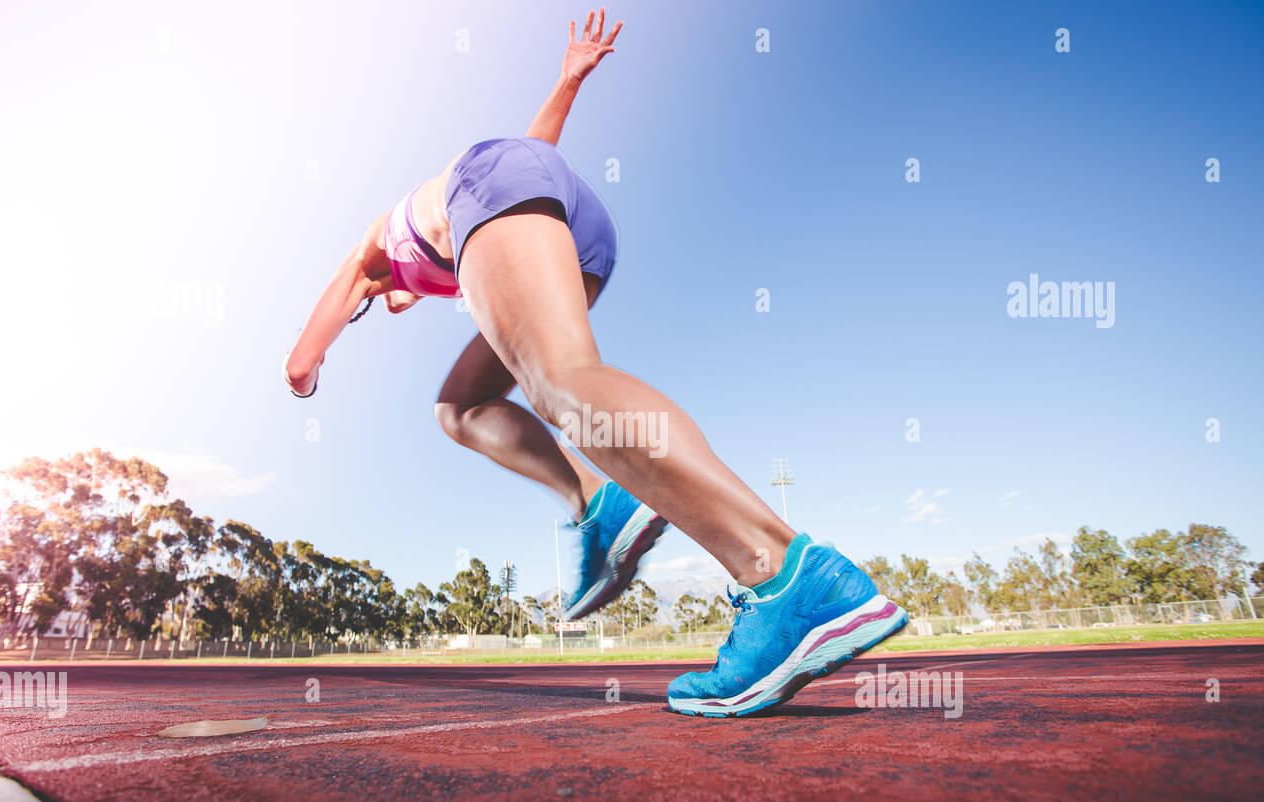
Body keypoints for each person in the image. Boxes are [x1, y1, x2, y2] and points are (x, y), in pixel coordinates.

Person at [283, 10, 909, 716]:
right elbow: (533, 160)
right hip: (566, 214)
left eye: (399, 299)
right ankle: (598, 499)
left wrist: (303, 368)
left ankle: (785, 573)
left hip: (503, 181)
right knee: (461, 405)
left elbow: (313, 339)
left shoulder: (377, 256)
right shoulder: (462, 242)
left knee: (561, 382)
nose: (405, 303)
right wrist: (569, 79)